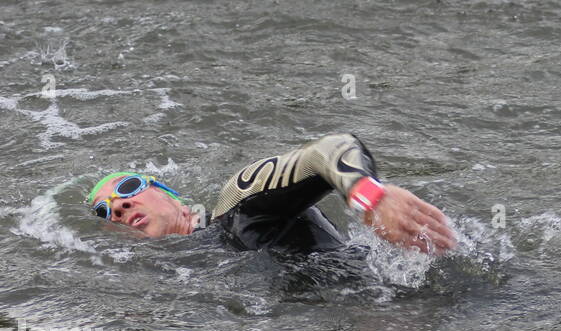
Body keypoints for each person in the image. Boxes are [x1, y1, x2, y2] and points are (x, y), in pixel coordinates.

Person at [85, 133, 456, 255]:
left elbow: (326, 149)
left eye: (129, 188)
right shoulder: (167, 285)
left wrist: (370, 196)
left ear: (171, 195)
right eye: (106, 212)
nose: (119, 206)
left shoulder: (240, 211)